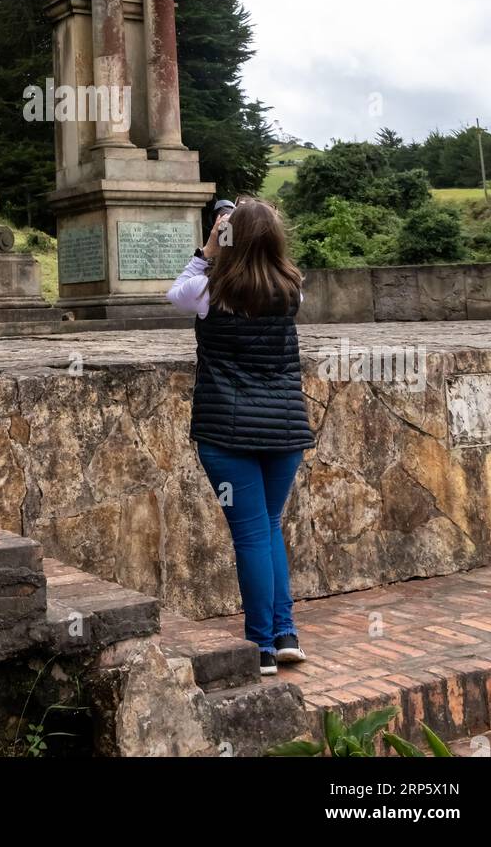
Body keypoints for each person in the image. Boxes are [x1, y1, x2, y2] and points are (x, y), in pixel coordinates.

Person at [166, 197, 315, 676]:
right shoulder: (292, 290)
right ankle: (285, 633)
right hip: (284, 429)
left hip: (227, 435)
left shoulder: (207, 290)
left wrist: (209, 247)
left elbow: (175, 294)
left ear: (230, 237)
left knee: (251, 535)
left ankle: (262, 646)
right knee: (268, 528)